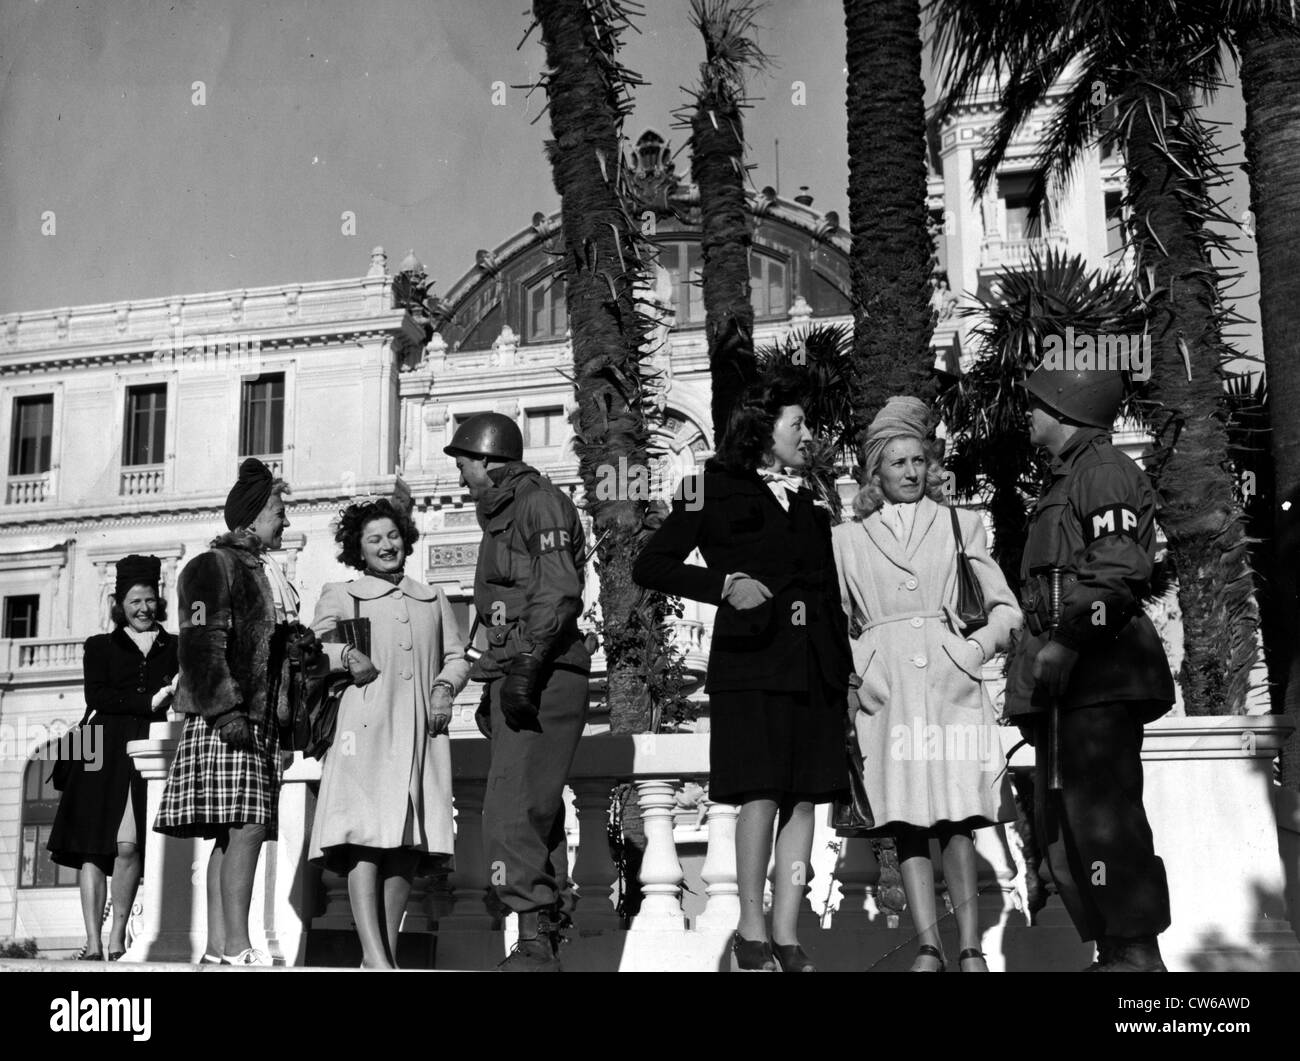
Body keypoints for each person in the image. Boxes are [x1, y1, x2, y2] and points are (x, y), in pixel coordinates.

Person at [634, 376, 853, 973]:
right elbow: (650, 563)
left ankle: (786, 933)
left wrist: (848, 675)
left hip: (817, 668)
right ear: (762, 431)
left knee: (805, 799)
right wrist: (724, 586)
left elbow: (830, 591)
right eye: (797, 425)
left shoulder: (812, 497)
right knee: (758, 794)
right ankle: (750, 931)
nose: (809, 435)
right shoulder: (706, 488)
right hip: (751, 667)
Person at [832, 397, 1022, 972]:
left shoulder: (964, 524)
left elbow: (1006, 612)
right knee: (906, 823)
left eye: (919, 460)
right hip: (886, 692)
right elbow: (836, 622)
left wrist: (970, 650)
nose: (912, 472)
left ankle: (969, 948)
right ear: (875, 472)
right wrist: (856, 673)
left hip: (951, 686)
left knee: (959, 818)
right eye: (898, 464)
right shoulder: (847, 539)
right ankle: (929, 947)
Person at [1004, 365, 1175, 972]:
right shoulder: (1071, 474)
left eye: (1037, 403)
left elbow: (1118, 568)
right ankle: (1116, 953)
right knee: (1069, 830)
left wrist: (1071, 642)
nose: (1029, 411)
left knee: (1105, 821)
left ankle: (1134, 959)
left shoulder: (1101, 470)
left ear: (1066, 409)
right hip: (1070, 686)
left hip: (1098, 678)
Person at [444, 412, 591, 972]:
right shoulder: (502, 512)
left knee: (509, 813)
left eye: (462, 463)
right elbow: (501, 608)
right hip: (523, 668)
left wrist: (526, 664)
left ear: (485, 459)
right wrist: (495, 676)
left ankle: (533, 943)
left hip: (549, 670)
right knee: (536, 811)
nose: (459, 476)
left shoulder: (539, 503)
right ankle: (542, 938)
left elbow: (557, 591)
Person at [155, 458, 316, 967]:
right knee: (245, 825)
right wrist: (227, 712)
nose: (285, 521)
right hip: (228, 716)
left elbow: (267, 650)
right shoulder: (211, 567)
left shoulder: (263, 572)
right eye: (278, 511)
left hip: (258, 719)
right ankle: (237, 944)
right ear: (251, 515)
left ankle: (220, 950)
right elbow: (200, 645)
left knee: (236, 828)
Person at [307, 497, 470, 969]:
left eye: (393, 536)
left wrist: (444, 687)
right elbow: (310, 650)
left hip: (421, 729)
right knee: (365, 839)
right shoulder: (342, 593)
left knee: (405, 846)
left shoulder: (433, 598)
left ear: (406, 539)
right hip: (363, 732)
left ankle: (386, 956)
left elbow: (458, 657)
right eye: (374, 538)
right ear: (358, 548)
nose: (387, 545)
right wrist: (344, 657)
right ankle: (375, 957)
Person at [48, 555, 178, 961]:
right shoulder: (99, 646)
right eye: (135, 601)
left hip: (146, 748)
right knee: (92, 847)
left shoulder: (175, 646)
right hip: (100, 749)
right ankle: (91, 942)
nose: (144, 608)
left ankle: (118, 936)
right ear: (119, 604)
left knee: (128, 845)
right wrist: (148, 700)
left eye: (150, 600)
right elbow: (97, 696)